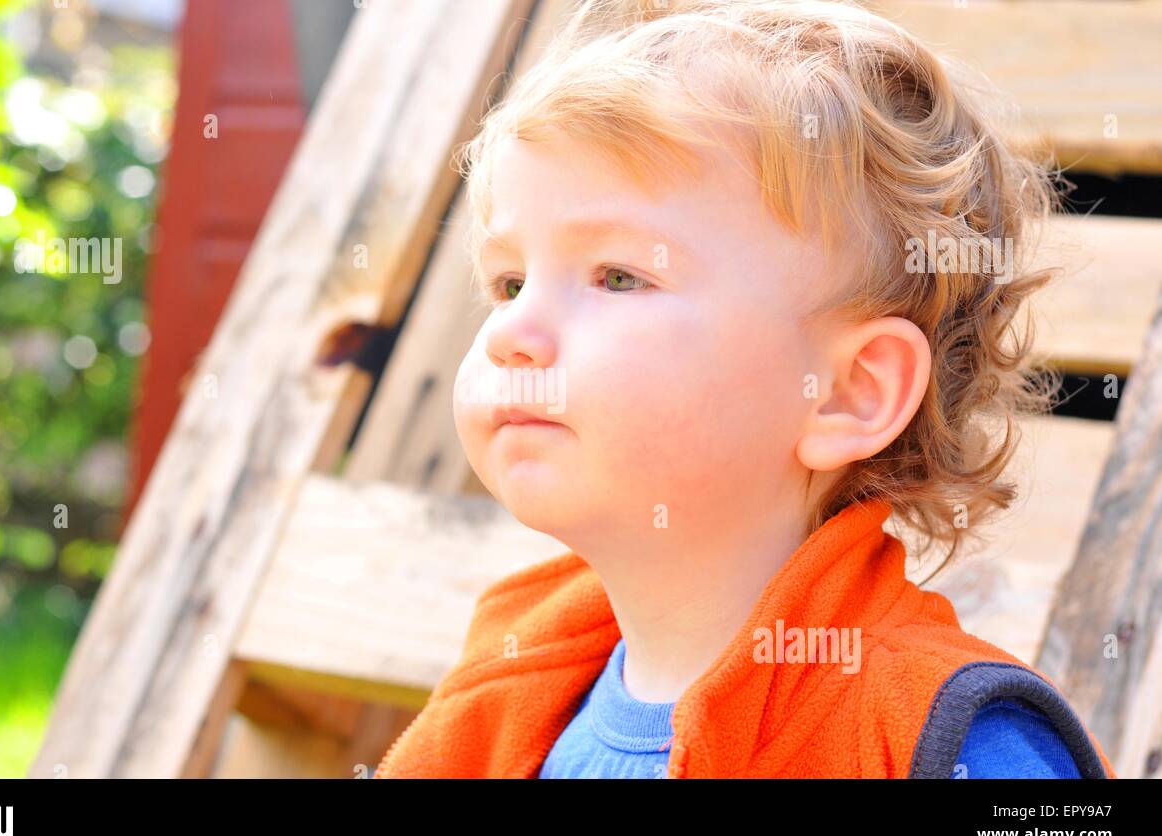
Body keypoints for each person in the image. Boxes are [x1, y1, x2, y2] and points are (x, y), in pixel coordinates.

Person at [373, 0, 1116, 779]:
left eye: (619, 276)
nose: (508, 331)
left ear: (849, 392)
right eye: (510, 281)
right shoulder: (505, 689)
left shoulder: (954, 741)